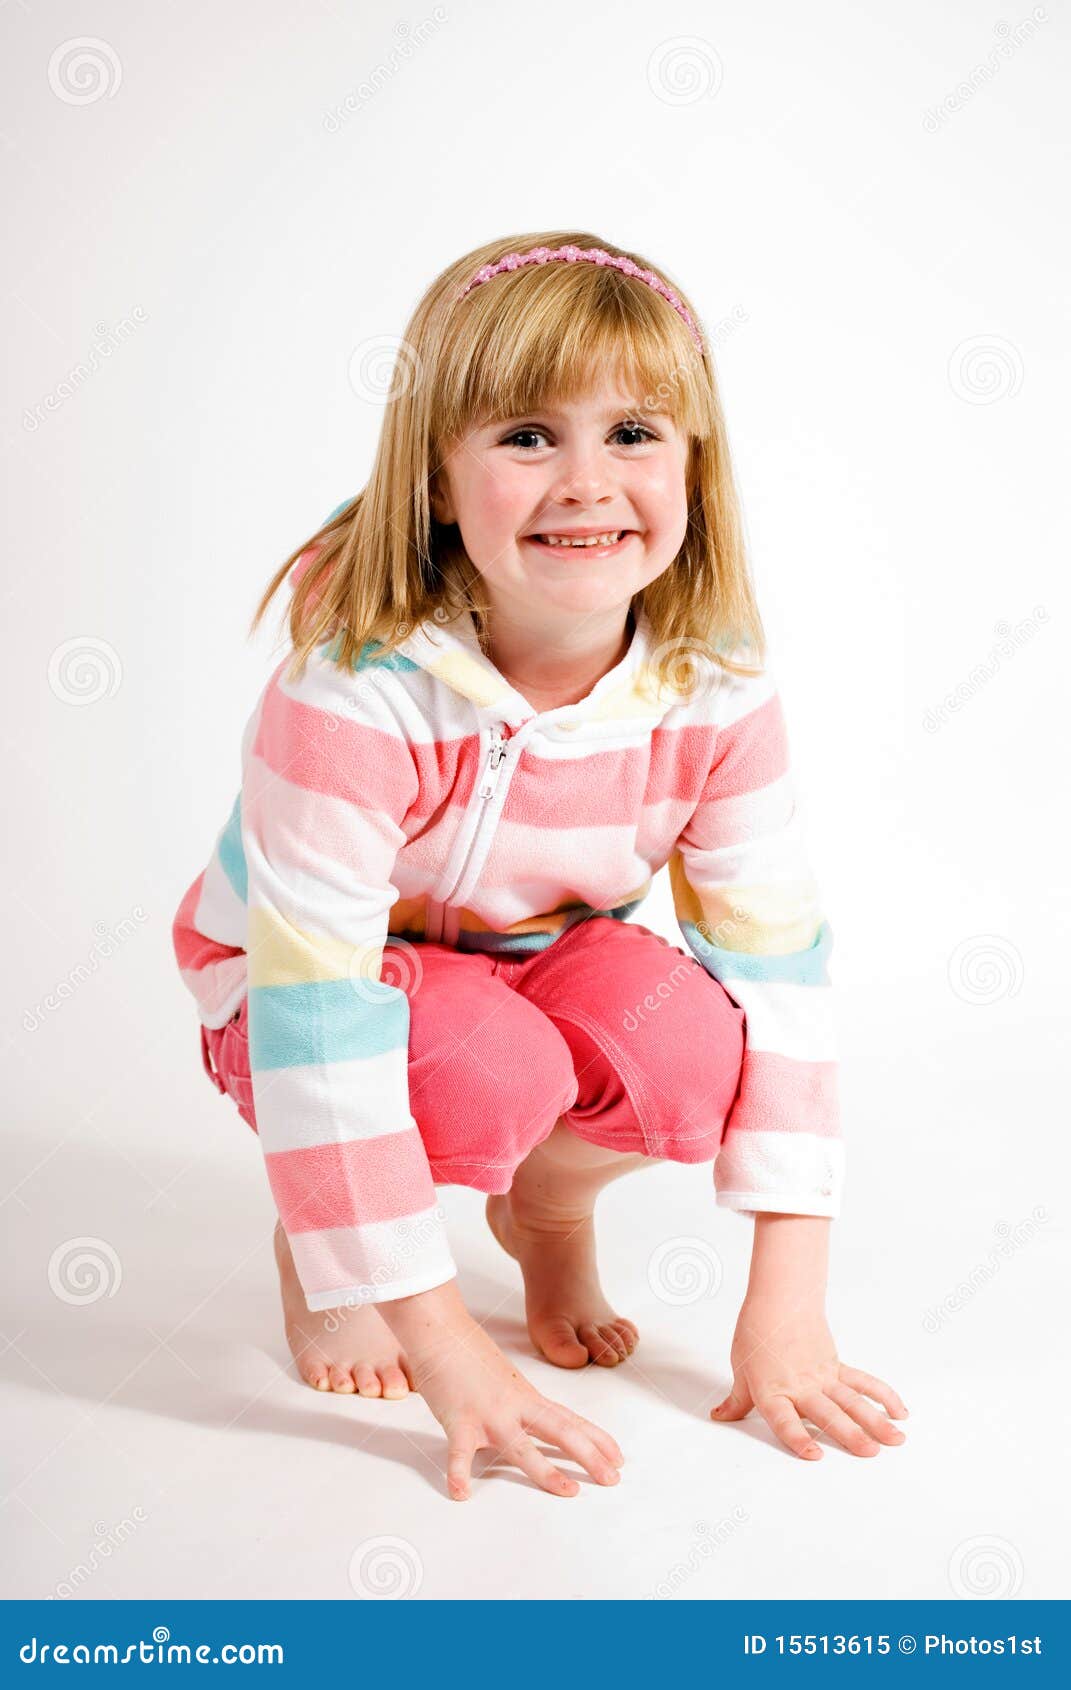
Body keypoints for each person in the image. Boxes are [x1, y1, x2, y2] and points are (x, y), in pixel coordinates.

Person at [172, 232, 908, 1502]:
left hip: (529, 963)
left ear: (694, 470)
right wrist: (444, 1344)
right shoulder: (355, 694)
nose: (587, 482)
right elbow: (319, 1009)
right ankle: (333, 1249)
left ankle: (546, 1212)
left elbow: (779, 973)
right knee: (477, 1060)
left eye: (634, 433)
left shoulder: (715, 697)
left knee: (689, 1040)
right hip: (306, 996)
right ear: (442, 480)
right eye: (526, 436)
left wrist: (788, 1304)